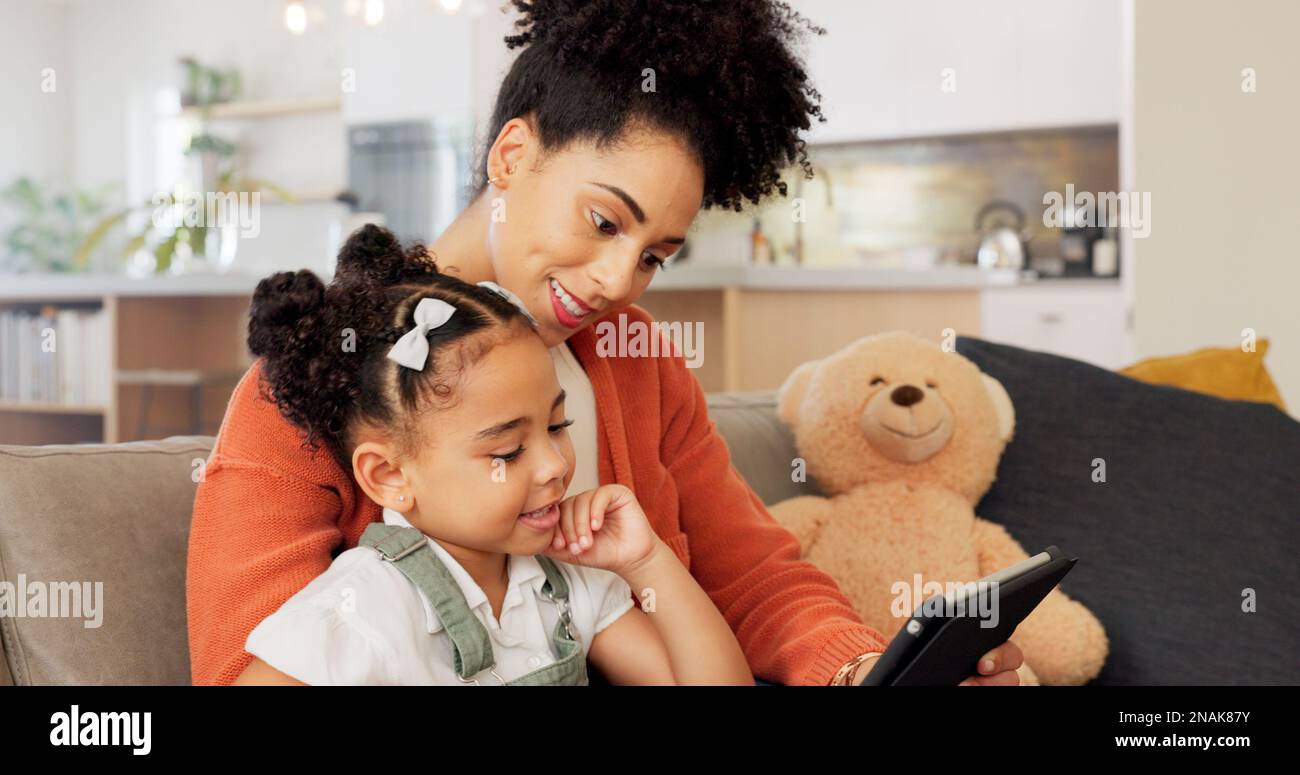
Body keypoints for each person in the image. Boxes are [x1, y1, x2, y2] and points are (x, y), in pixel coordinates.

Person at [189, 0, 1023, 686]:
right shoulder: (318, 375)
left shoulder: (634, 354)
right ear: (513, 155)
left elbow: (750, 574)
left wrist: (864, 668)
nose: (621, 281)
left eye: (656, 254)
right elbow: (245, 666)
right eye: (603, 221)